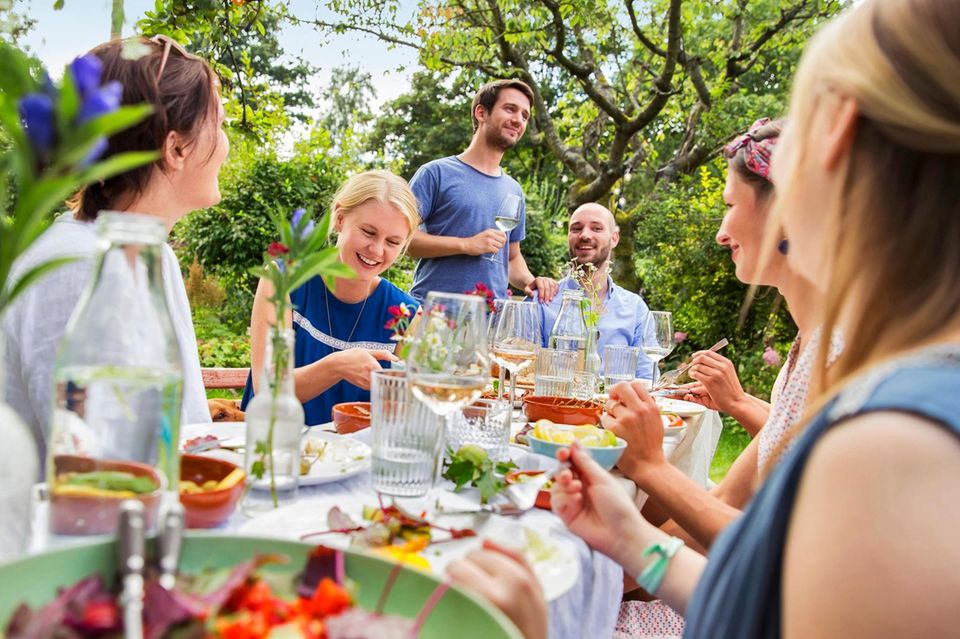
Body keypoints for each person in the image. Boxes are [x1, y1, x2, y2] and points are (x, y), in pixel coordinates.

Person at [453, 1, 960, 637]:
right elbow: (763, 586)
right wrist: (631, 537)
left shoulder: (895, 440)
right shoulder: (895, 386)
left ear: (838, 137)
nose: (722, 231)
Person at [2, 35, 223, 461]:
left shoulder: (151, 255)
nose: (225, 146)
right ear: (175, 148)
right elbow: (97, 467)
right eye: (221, 124)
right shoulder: (76, 268)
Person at [241, 170, 420, 426]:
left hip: (352, 460)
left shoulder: (404, 313)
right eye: (368, 232)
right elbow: (266, 389)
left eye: (392, 242)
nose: (377, 250)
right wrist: (337, 366)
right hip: (271, 448)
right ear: (339, 218)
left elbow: (405, 412)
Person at [406, 79, 558, 303]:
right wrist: (466, 245)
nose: (518, 120)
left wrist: (529, 281)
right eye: (510, 109)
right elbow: (404, 240)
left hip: (490, 323)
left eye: (525, 116)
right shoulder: (435, 173)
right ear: (481, 112)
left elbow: (512, 258)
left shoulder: (514, 190)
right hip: (433, 318)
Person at [537, 202, 656, 380]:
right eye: (576, 229)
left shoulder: (636, 309)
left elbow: (647, 381)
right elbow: (523, 372)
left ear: (614, 238)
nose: (585, 235)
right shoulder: (541, 300)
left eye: (596, 228)